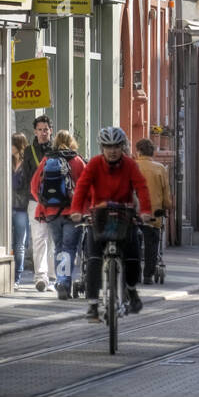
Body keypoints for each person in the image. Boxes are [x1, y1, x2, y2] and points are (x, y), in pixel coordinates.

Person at [70, 126, 152, 321]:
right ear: (102, 148)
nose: (112, 150)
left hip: (124, 216)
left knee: (133, 255)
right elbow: (82, 186)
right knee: (93, 259)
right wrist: (75, 210)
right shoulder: (95, 164)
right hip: (99, 216)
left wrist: (146, 211)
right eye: (108, 146)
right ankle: (92, 305)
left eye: (116, 146)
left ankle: (131, 289)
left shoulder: (130, 165)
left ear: (122, 147)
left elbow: (141, 187)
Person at [30, 129, 86, 299]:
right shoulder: (77, 161)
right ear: (72, 142)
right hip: (72, 213)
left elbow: (34, 186)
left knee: (59, 248)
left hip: (51, 213)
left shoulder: (47, 159)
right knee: (69, 248)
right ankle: (64, 281)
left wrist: (45, 202)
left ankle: (61, 282)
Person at [22, 116, 55, 291]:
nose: (43, 132)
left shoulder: (57, 150)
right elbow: (27, 177)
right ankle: (40, 277)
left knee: (52, 240)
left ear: (51, 130)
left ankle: (52, 276)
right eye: (40, 129)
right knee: (39, 238)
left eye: (46, 129)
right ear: (35, 131)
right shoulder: (28, 151)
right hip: (35, 201)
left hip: (56, 202)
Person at [134, 139, 173, 280]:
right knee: (152, 243)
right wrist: (167, 206)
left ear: (138, 151)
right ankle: (148, 275)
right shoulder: (160, 168)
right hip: (154, 212)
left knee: (134, 243)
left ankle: (135, 273)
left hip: (135, 212)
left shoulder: (133, 166)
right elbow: (166, 192)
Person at [11, 133, 30, 289]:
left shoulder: (26, 163)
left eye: (11, 144)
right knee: (8, 243)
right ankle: (11, 275)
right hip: (6, 206)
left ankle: (17, 276)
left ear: (18, 145)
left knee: (19, 244)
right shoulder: (6, 161)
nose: (9, 147)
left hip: (22, 207)